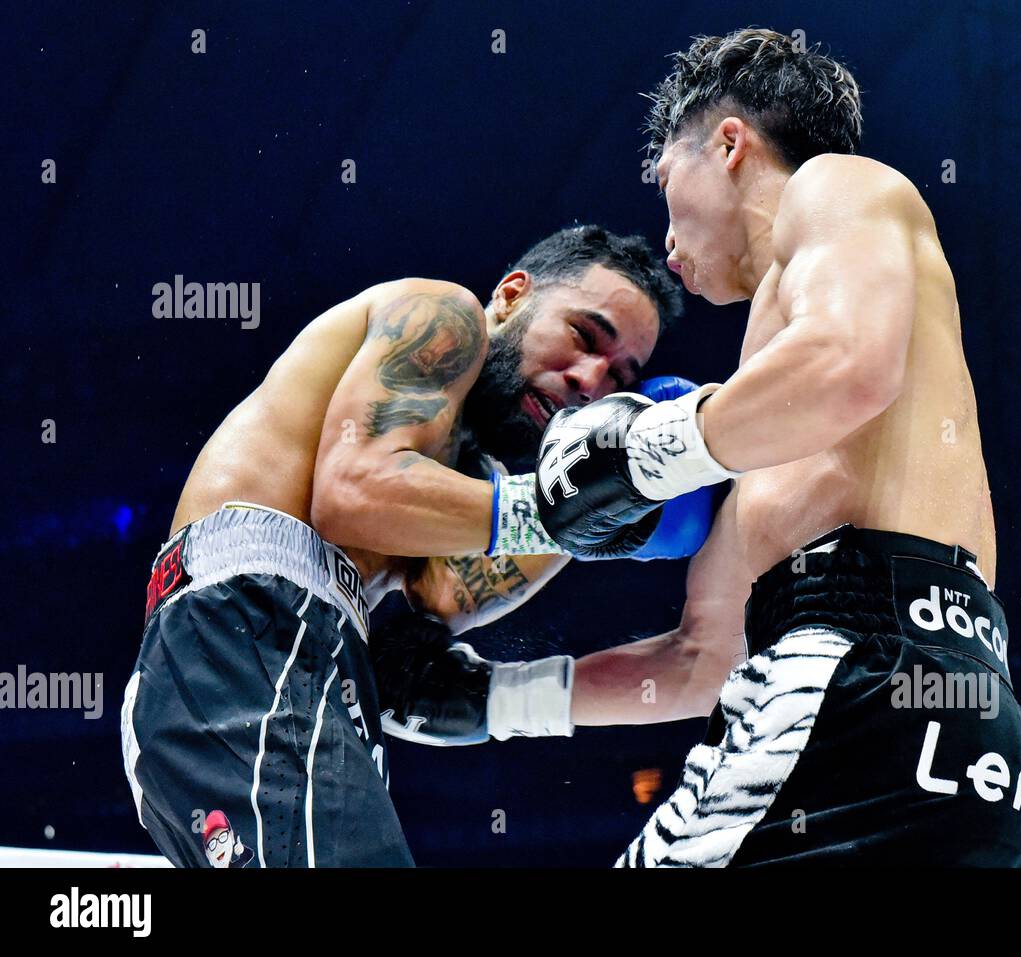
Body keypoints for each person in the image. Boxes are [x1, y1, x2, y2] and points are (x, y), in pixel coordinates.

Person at [405, 29, 1021, 867]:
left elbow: (847, 366)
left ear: (728, 144)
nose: (665, 235)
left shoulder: (837, 187)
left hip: (856, 696)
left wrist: (641, 450)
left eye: (664, 180)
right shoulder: (772, 435)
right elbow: (701, 662)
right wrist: (494, 699)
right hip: (990, 756)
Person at [120, 225, 684, 867]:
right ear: (510, 296)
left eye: (619, 376)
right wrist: (553, 513)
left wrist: (600, 506)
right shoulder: (446, 315)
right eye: (584, 337)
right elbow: (353, 492)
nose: (590, 379)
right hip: (252, 634)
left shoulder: (460, 474)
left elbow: (434, 609)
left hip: (279, 670)